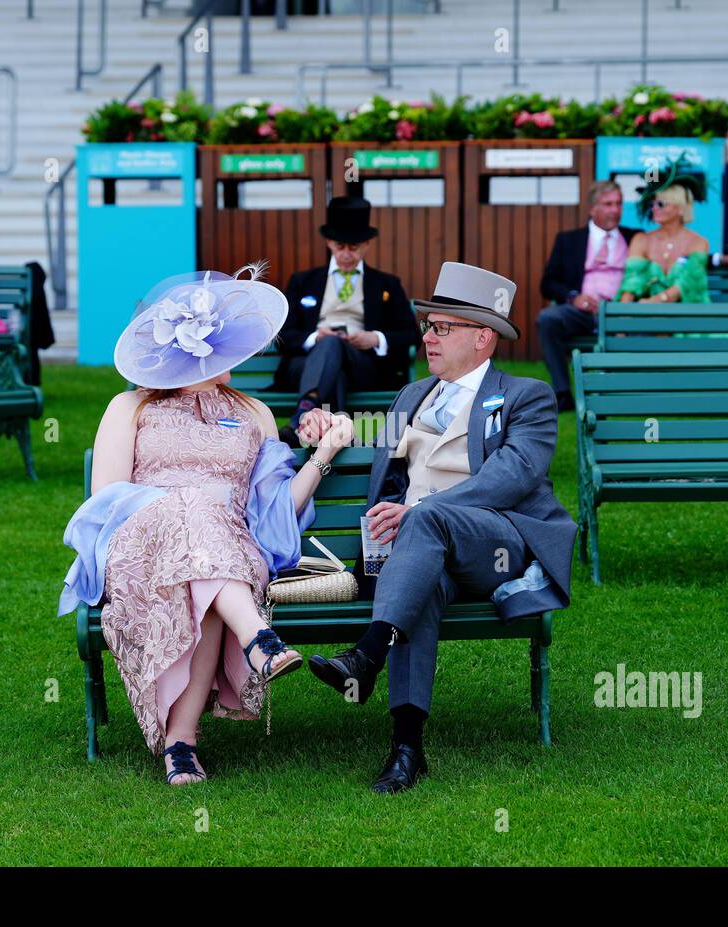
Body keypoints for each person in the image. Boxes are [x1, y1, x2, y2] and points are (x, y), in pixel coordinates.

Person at [58, 266, 354, 786]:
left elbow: (273, 511)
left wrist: (323, 454)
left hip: (227, 551)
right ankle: (257, 639)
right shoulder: (129, 407)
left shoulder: (255, 412)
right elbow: (107, 501)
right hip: (142, 548)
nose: (220, 353)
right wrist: (182, 506)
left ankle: (182, 746)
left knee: (211, 571)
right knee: (200, 533)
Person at [299, 262, 577, 795]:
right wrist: (322, 424)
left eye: (441, 327)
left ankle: (366, 653)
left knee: (427, 517)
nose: (427, 336)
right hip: (423, 550)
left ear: (482, 337)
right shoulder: (412, 395)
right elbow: (378, 454)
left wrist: (422, 510)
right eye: (428, 325)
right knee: (417, 588)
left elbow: (511, 475)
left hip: (498, 542)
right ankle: (407, 750)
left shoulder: (527, 396)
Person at [275, 197, 417, 446]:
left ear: (367, 245)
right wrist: (315, 338)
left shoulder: (387, 284)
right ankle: (338, 437)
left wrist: (375, 338)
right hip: (305, 363)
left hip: (362, 364)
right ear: (329, 242)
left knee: (335, 348)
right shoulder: (303, 281)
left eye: (354, 247)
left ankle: (303, 416)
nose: (347, 254)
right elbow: (284, 335)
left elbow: (410, 333)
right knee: (331, 350)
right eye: (340, 246)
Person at [535, 180, 639, 412]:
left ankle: (635, 394)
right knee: (547, 319)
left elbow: (673, 251)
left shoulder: (635, 238)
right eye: (608, 204)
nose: (615, 209)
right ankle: (562, 393)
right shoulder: (568, 240)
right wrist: (574, 297)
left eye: (619, 204)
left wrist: (719, 258)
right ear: (593, 208)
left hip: (622, 312)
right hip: (581, 311)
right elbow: (548, 283)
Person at [617, 162, 711, 307]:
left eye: (661, 204)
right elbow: (632, 281)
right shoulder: (642, 240)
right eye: (652, 204)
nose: (654, 208)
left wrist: (652, 302)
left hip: (688, 318)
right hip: (651, 320)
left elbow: (686, 284)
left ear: (680, 209)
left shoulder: (698, 243)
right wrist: (621, 320)